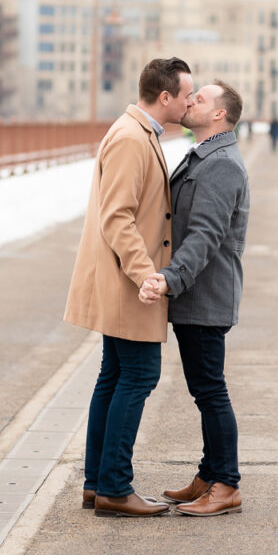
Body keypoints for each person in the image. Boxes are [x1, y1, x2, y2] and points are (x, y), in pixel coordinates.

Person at [64, 57, 194, 518]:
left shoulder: (137, 133)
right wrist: (146, 276)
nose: (190, 102)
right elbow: (117, 217)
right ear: (165, 97)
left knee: (115, 375)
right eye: (185, 95)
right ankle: (115, 487)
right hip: (126, 281)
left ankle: (98, 482)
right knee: (138, 375)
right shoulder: (129, 139)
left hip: (122, 279)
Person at [140, 81, 249, 517]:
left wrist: (170, 278)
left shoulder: (221, 165)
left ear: (219, 115)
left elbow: (205, 234)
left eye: (200, 98)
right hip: (198, 295)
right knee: (204, 389)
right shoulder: (205, 155)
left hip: (204, 295)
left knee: (210, 391)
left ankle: (227, 485)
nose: (190, 101)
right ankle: (210, 474)